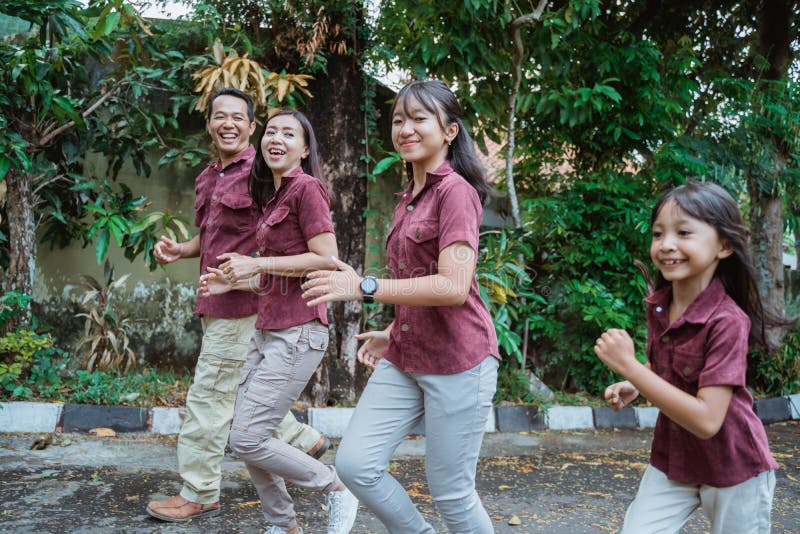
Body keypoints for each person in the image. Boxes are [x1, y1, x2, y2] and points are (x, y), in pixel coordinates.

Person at [301, 79, 500, 533]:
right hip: (407, 355)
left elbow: (453, 287)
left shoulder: (456, 194)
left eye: (418, 118)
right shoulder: (408, 198)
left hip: (459, 361)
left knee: (451, 491)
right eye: (397, 120)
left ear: (449, 130)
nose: (405, 129)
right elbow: (419, 279)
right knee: (355, 464)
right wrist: (393, 329)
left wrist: (363, 287)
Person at [146, 89, 328, 524]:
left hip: (247, 304)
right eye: (218, 116)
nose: (227, 123)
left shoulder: (264, 174)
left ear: (251, 126)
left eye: (237, 118)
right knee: (235, 395)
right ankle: (301, 440)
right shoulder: (209, 175)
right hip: (214, 302)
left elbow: (285, 241)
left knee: (209, 397)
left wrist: (256, 274)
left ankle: (199, 491)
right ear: (209, 124)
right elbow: (212, 239)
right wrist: (180, 249)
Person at [198, 109, 359, 534]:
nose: (276, 138)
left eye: (290, 134)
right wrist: (233, 282)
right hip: (268, 329)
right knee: (245, 431)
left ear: (305, 150)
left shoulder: (307, 189)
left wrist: (258, 262)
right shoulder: (271, 197)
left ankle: (335, 486)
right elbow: (278, 276)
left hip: (300, 329)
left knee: (247, 437)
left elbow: (325, 258)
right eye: (271, 131)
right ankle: (283, 524)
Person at [594, 181, 779, 533]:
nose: (666, 245)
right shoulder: (661, 305)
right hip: (673, 461)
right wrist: (636, 380)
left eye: (683, 233)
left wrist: (630, 367)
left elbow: (708, 420)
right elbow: (671, 365)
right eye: (658, 233)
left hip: (733, 467)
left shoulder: (727, 321)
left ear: (723, 245)